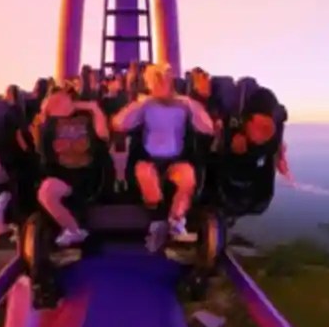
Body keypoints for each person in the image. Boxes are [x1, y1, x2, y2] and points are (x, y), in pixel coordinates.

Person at [112, 62, 215, 250]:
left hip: (175, 160)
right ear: (149, 83)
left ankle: (176, 221)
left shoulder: (184, 105)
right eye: (156, 80)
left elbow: (208, 128)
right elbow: (119, 124)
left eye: (165, 80)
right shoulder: (145, 105)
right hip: (149, 159)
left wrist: (191, 103)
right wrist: (140, 104)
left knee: (187, 176)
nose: (161, 84)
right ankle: (158, 223)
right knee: (146, 173)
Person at [34, 85, 110, 247]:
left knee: (50, 190)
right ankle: (74, 231)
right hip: (63, 176)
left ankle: (74, 230)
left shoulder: (86, 117)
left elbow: (103, 136)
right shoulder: (49, 125)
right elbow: (43, 152)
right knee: (46, 192)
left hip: (87, 176)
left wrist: (91, 107)